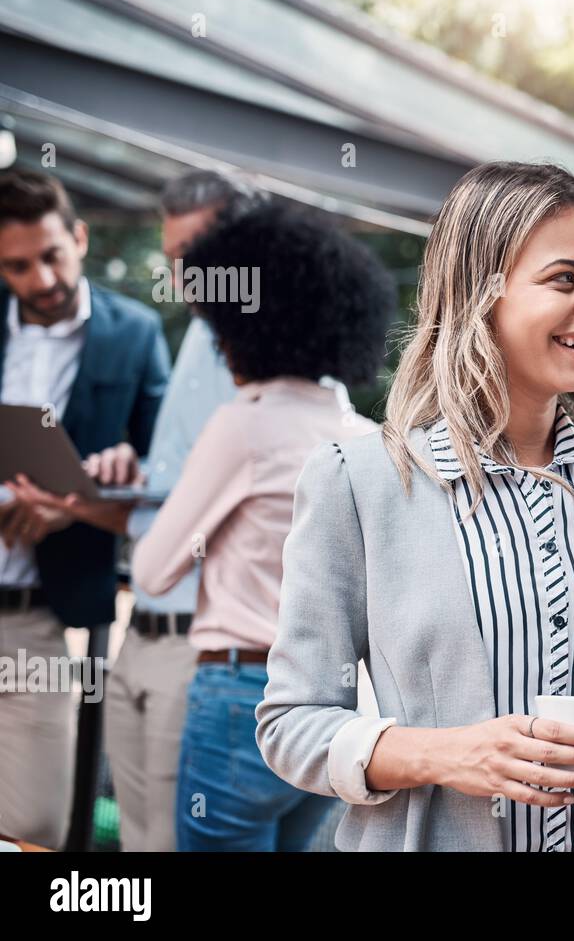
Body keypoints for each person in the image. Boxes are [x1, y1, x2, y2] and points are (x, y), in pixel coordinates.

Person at [257, 161, 574, 852]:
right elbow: (291, 724)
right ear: (479, 294)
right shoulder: (360, 480)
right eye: (565, 278)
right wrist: (447, 753)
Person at [128, 201, 392, 851]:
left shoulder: (243, 424)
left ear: (239, 328)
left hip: (241, 698)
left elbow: (153, 568)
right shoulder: (367, 438)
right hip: (335, 706)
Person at [0, 169, 168, 847]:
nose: (40, 279)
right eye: (16, 265)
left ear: (79, 237)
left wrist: (80, 502)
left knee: (34, 822)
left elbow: (165, 469)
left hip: (38, 616)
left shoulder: (135, 332)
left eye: (52, 256)